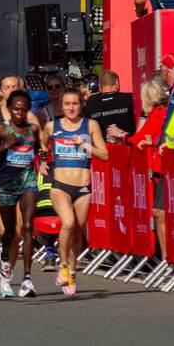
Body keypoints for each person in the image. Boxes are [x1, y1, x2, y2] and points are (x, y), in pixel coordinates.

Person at [40, 88, 109, 298]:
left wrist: (86, 145)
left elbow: (104, 154)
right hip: (60, 185)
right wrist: (43, 160)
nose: (71, 107)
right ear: (61, 105)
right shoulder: (53, 126)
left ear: (81, 105)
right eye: (67, 103)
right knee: (68, 223)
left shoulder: (91, 125)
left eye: (75, 104)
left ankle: (72, 270)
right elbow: (42, 143)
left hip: (83, 187)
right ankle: (62, 265)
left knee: (78, 231)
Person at [0, 90, 42, 299]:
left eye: (24, 110)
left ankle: (26, 278)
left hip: (28, 183)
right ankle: (4, 256)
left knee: (26, 227)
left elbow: (41, 149)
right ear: (9, 108)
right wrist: (3, 147)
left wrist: (43, 154)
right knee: (9, 233)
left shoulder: (33, 129)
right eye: (16, 109)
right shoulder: (1, 130)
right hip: (6, 184)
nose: (20, 113)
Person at [125, 78, 171, 260]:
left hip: (161, 168)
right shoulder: (158, 112)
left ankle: (166, 258)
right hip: (158, 168)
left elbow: (142, 138)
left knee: (159, 214)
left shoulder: (159, 113)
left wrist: (123, 136)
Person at [84, 70, 136, 142]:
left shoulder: (91, 102)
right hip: (126, 148)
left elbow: (86, 128)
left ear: (99, 86)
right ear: (117, 82)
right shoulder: (129, 98)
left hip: (101, 150)